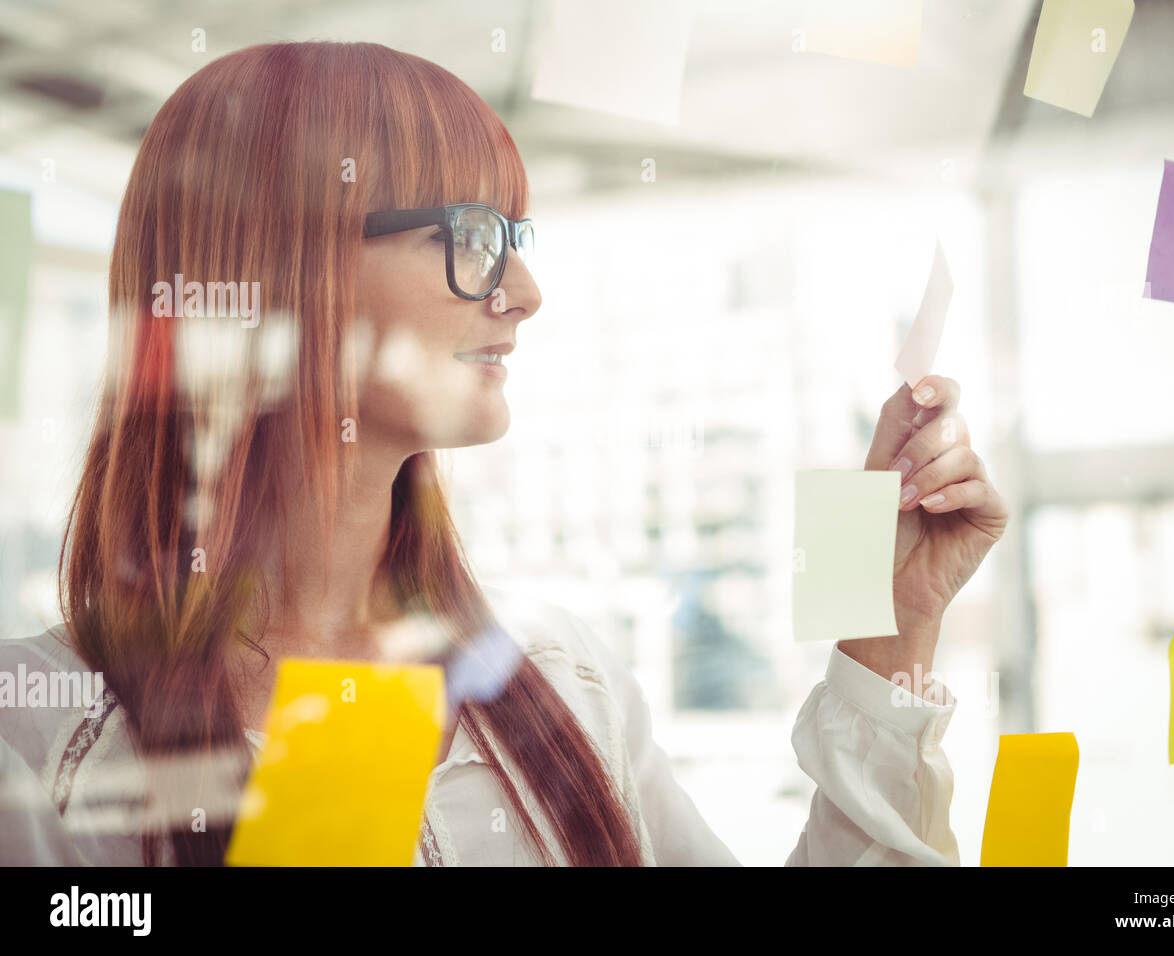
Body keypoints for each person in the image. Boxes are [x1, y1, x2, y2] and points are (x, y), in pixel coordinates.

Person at [0, 41, 1006, 866]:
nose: (523, 291)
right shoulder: (37, 744)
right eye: (473, 234)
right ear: (281, 269)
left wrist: (890, 630)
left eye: (515, 235)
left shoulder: (563, 678)